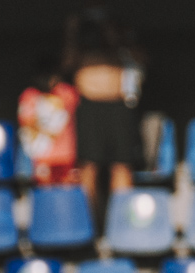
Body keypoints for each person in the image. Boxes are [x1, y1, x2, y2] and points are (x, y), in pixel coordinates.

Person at [62, 9, 145, 218]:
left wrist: (117, 36)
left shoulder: (122, 45)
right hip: (89, 107)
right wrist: (73, 33)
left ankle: (123, 224)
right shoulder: (80, 45)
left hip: (120, 106)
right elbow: (67, 64)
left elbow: (143, 60)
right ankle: (86, 226)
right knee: (88, 167)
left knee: (122, 165)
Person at [18, 56, 80, 186]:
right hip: (40, 155)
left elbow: (73, 101)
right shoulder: (29, 95)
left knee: (66, 189)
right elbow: (26, 122)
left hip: (66, 156)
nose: (53, 81)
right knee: (44, 190)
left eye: (55, 77)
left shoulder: (66, 92)